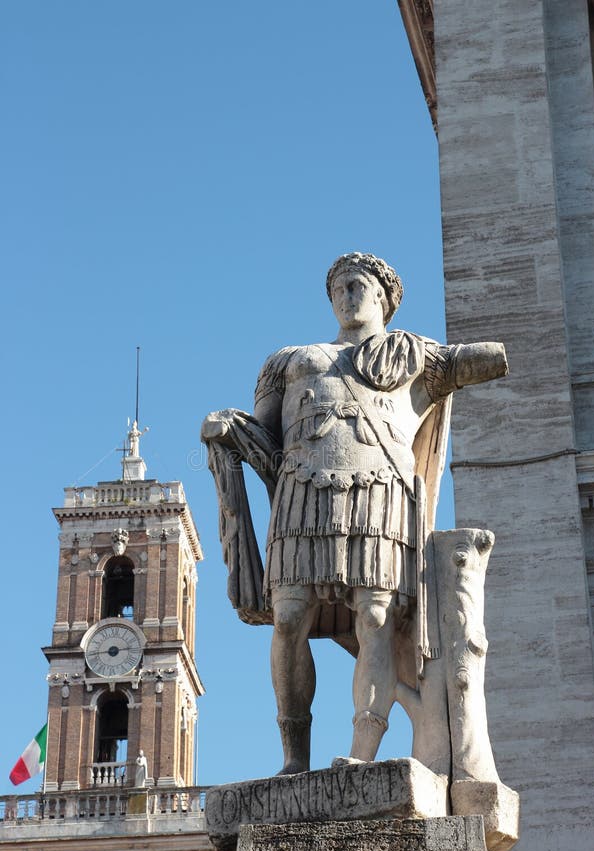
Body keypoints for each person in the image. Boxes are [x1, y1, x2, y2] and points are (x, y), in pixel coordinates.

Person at [203, 252, 507, 774]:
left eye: (358, 285)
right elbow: (264, 439)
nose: (347, 295)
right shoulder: (289, 360)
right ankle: (294, 759)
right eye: (338, 287)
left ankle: (362, 754)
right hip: (301, 492)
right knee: (289, 617)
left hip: (379, 493)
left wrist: (495, 349)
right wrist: (227, 429)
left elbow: (485, 360)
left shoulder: (413, 356)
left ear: (385, 296)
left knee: (376, 616)